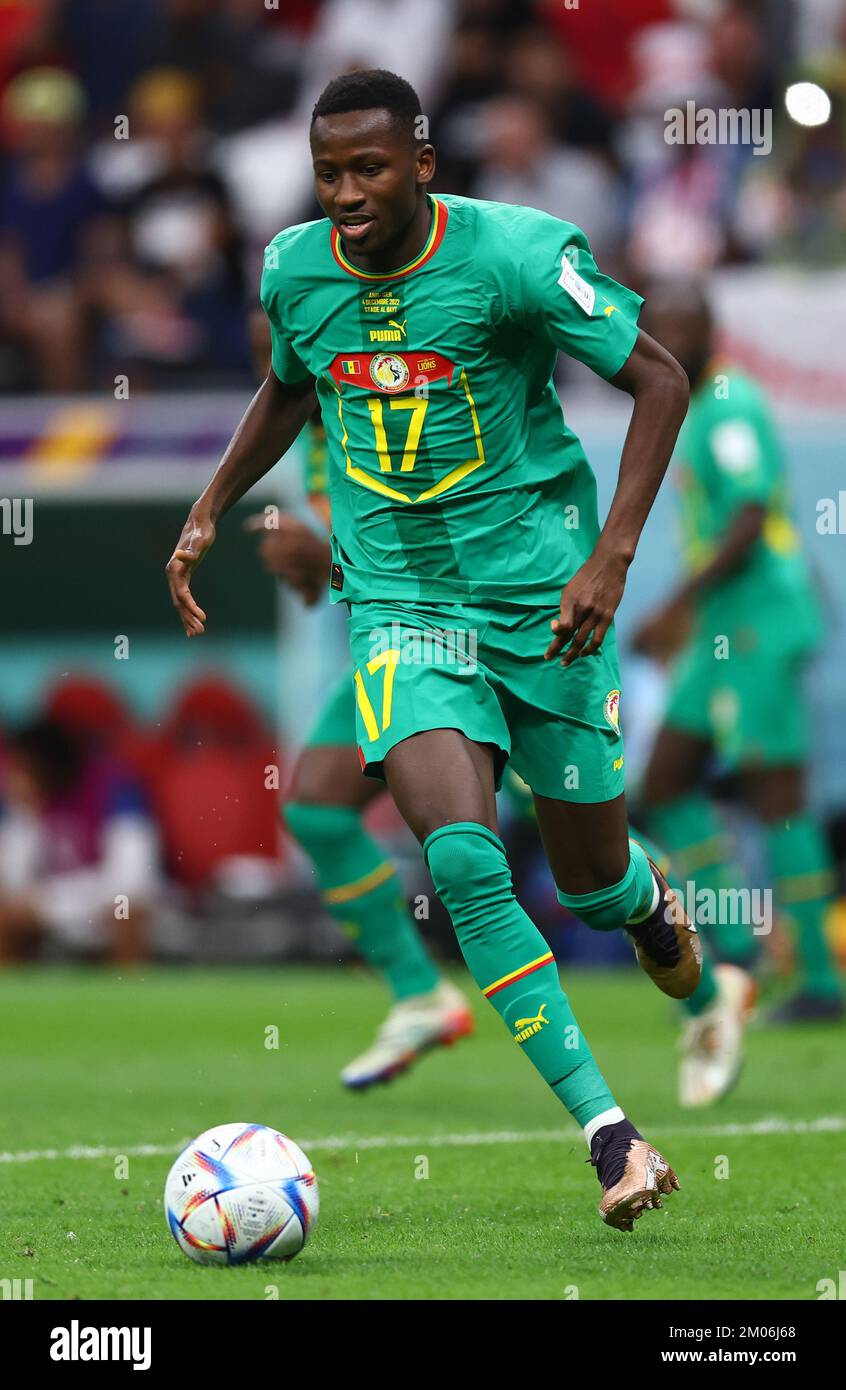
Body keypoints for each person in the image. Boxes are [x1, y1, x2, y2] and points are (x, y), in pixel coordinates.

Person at [166, 69, 698, 1232]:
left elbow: (661, 380)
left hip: (543, 604)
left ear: (421, 164)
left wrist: (608, 557)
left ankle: (650, 894)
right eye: (327, 173)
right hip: (401, 609)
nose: (345, 193)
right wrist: (211, 505)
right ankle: (613, 1136)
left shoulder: (515, 256)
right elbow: (287, 388)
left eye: (368, 168)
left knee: (594, 884)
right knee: (460, 865)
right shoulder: (294, 270)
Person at [247, 307, 475, 1090]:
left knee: (586, 848)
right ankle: (419, 993)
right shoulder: (313, 437)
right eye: (267, 361)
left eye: (285, 352)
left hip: (478, 637)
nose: (278, 371)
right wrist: (323, 569)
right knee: (315, 806)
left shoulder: (393, 397)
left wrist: (327, 556)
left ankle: (707, 982)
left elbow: (435, 526)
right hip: (398, 645)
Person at [635, 278, 843, 1025]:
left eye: (683, 323)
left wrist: (674, 606)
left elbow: (753, 515)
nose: (671, 336)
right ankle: (737, 946)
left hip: (755, 623)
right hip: (729, 627)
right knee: (664, 784)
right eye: (660, 324)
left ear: (709, 327)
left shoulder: (730, 405)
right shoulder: (699, 405)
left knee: (779, 795)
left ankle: (822, 980)